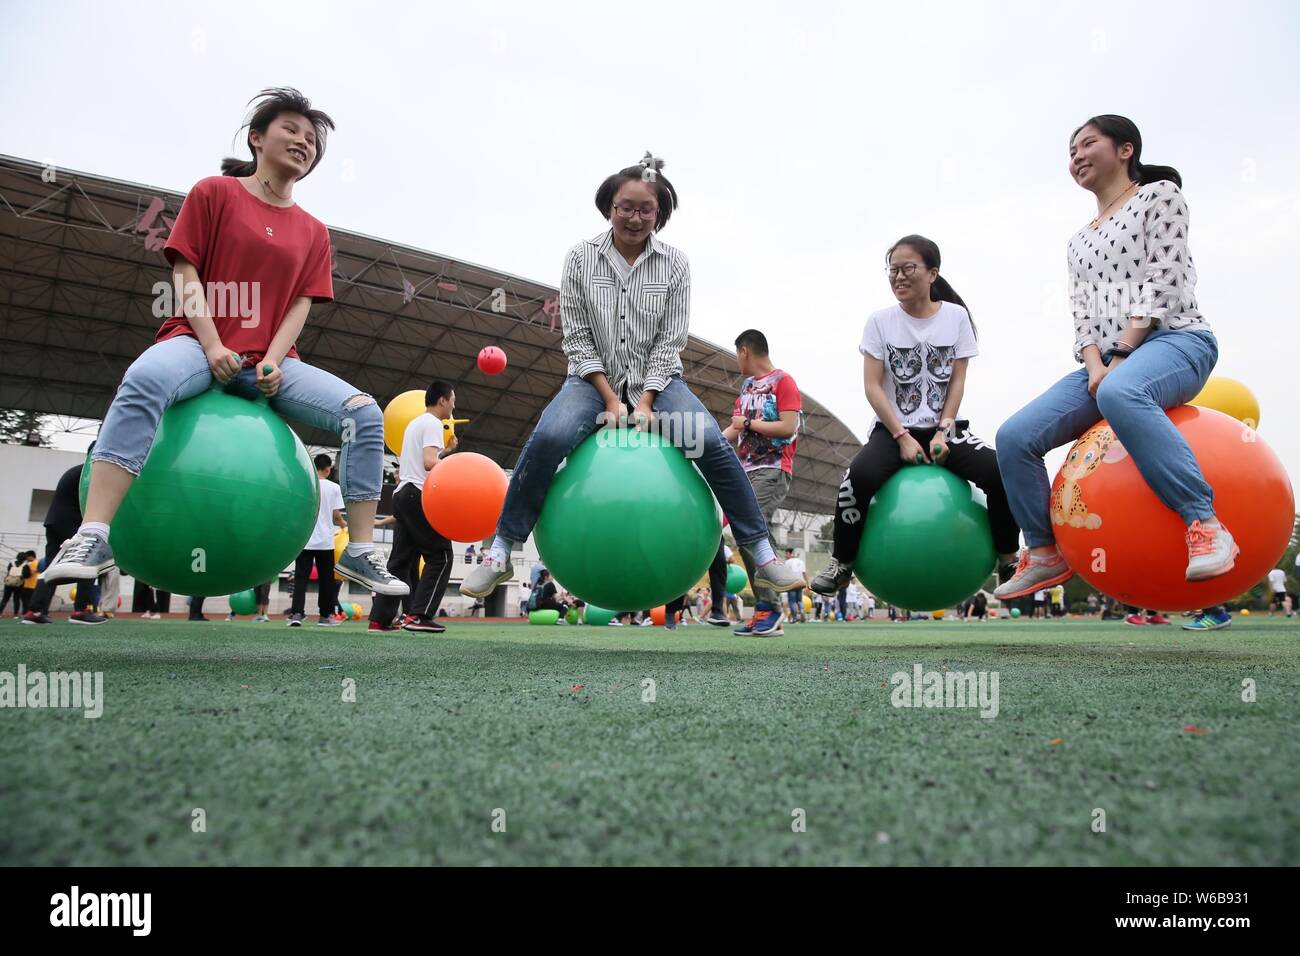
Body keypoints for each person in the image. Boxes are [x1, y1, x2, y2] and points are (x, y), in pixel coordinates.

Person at [42, 88, 407, 604]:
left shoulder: (314, 231)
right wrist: (213, 347)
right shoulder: (214, 193)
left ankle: (361, 552)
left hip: (271, 363)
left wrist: (276, 362)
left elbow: (300, 304)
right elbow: (184, 271)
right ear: (257, 138)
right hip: (196, 342)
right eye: (291, 130)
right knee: (145, 379)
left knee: (364, 414)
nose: (303, 142)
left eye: (312, 139)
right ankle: (93, 536)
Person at [460, 153, 802, 604]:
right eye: (626, 206)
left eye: (647, 209)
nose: (635, 217)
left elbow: (669, 341)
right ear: (609, 207)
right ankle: (501, 551)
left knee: (711, 444)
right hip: (588, 384)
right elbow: (577, 337)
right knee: (548, 437)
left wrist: (644, 402)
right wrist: (608, 399)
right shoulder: (581, 258)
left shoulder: (675, 264)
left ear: (659, 215)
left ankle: (760, 551)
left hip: (659, 387)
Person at [995, 115, 1227, 601]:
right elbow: (1083, 313)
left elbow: (1163, 278)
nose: (1076, 155)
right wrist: (1097, 365)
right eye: (1070, 150)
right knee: (1014, 436)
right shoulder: (1077, 240)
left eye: (1087, 143)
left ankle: (1205, 524)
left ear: (1125, 150)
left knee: (1123, 392)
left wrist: (1121, 358)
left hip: (1177, 342)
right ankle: (1044, 552)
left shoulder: (1159, 195)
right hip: (1104, 367)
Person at [811, 235, 1020, 597]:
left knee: (1000, 472)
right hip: (893, 430)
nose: (899, 277)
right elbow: (873, 387)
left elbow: (957, 382)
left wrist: (943, 431)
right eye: (892, 270)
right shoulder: (879, 322)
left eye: (908, 268)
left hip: (946, 429)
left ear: (932, 273)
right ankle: (842, 563)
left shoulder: (956, 318)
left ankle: (1009, 557)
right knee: (854, 479)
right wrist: (901, 437)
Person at [719, 329, 804, 636]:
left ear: (745, 351)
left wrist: (750, 423)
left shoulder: (784, 382)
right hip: (746, 470)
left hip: (773, 468)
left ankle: (772, 609)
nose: (736, 361)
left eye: (736, 355)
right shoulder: (746, 387)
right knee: (749, 534)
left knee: (753, 529)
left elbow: (788, 426)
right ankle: (766, 610)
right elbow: (735, 429)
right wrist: (706, 445)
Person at [369, 381, 459, 634]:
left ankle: (380, 620)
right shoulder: (432, 423)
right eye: (453, 399)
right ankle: (418, 615)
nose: (454, 405)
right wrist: (453, 461)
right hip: (418, 494)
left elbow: (422, 460)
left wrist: (447, 450)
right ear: (442, 400)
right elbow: (430, 463)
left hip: (402, 495)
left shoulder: (415, 423)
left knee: (400, 562)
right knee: (440, 556)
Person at [23, 461, 102, 625]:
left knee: (52, 568)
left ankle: (35, 611)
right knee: (90, 559)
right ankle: (81, 610)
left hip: (53, 521)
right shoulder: (91, 470)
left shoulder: (77, 470)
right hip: (70, 521)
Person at [288, 453, 346, 627]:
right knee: (326, 581)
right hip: (325, 542)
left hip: (305, 540)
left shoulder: (306, 485)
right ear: (328, 469)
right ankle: (325, 616)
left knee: (300, 579)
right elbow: (336, 516)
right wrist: (344, 525)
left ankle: (297, 614)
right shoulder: (334, 488)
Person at [781, 547, 808, 623]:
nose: (785, 555)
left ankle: (795, 617)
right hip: (800, 582)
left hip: (792, 583)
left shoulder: (787, 562)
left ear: (791, 553)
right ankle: (802, 611)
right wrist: (806, 583)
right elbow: (804, 573)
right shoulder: (801, 561)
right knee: (799, 600)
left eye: (786, 554)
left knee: (792, 601)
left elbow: (785, 574)